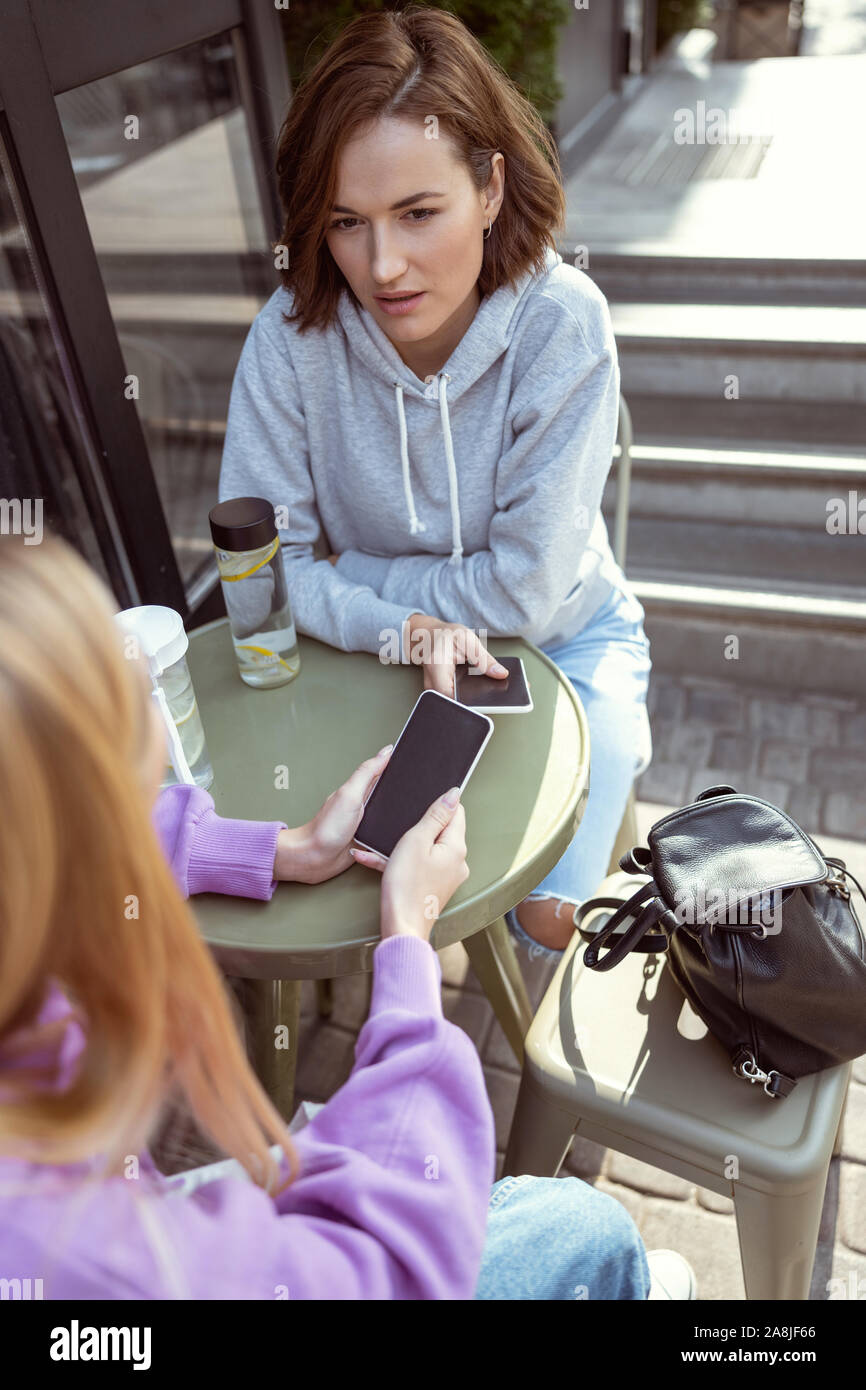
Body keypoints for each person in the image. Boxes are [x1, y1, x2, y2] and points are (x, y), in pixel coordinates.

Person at [0, 533, 695, 1299]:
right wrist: (407, 947)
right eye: (137, 780)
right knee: (584, 1232)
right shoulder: (76, 1249)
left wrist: (282, 851)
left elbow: (83, 843)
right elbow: (388, 1272)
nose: (161, 763)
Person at [218, 4, 653, 958]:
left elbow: (526, 594)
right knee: (319, 881)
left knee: (542, 924)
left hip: (560, 651)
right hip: (363, 661)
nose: (383, 266)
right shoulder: (289, 345)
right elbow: (264, 579)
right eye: (346, 222)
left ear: (492, 188)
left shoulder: (560, 327)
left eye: (419, 213)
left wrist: (355, 569)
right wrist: (397, 627)